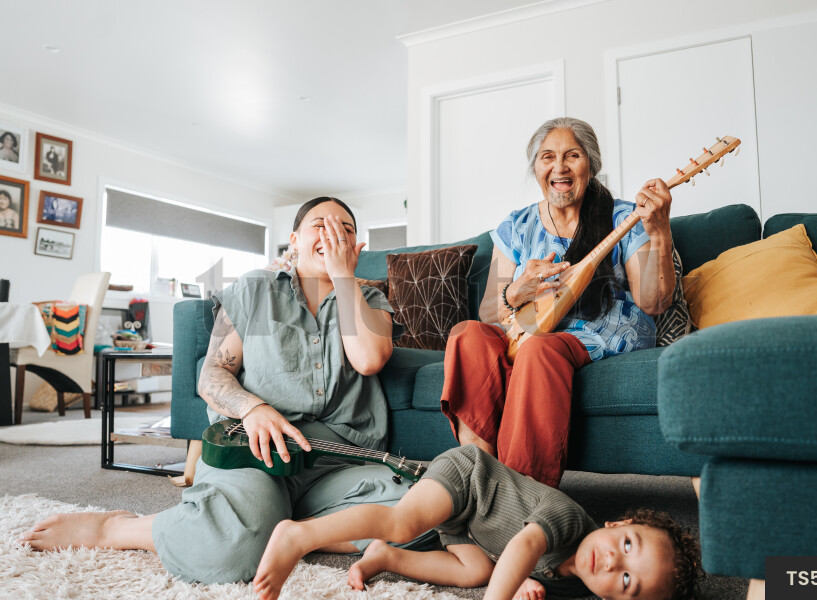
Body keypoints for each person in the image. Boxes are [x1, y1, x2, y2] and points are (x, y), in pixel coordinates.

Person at [19, 197, 435, 583]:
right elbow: (213, 374)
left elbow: (368, 359)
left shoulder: (370, 298)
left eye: (343, 229)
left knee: (430, 512)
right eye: (319, 225)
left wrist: (344, 276)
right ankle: (118, 527)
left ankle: (291, 529)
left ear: (355, 246)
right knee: (232, 552)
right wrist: (252, 408)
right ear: (294, 241)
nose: (331, 234)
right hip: (257, 450)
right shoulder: (256, 291)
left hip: (339, 462)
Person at [441, 117, 677, 489]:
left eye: (572, 155)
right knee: (467, 334)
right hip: (531, 329)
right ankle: (479, 477)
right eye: (547, 157)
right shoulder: (518, 226)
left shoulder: (624, 216)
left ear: (591, 165)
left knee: (538, 350)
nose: (559, 167)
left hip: (597, 336)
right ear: (536, 168)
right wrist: (516, 291)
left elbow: (655, 302)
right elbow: (490, 311)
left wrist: (660, 229)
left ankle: (523, 495)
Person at [253, 445, 701, 600]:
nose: (610, 565)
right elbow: (525, 548)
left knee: (477, 573)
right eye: (626, 547)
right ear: (617, 523)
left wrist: (523, 583)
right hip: (470, 479)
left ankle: (385, 559)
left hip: (469, 531)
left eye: (626, 582)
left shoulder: (579, 583)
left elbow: (521, 566)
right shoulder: (570, 521)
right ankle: (298, 533)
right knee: (403, 521)